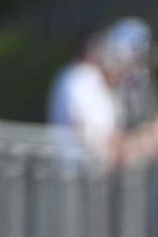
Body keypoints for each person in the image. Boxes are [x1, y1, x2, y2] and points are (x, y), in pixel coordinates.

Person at [47, 33, 122, 166]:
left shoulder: (83, 77)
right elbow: (80, 120)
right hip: (79, 161)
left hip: (91, 161)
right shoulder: (77, 77)